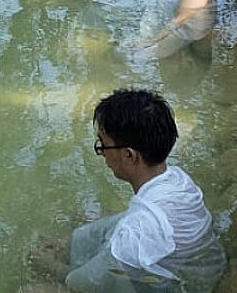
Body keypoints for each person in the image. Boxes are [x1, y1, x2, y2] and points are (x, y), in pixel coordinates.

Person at [63, 88, 225, 292]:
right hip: (203, 269)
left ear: (130, 156)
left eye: (103, 146)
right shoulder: (178, 180)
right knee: (87, 220)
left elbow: (84, 284)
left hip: (178, 287)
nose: (102, 154)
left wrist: (52, 268)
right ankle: (66, 247)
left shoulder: (137, 232)